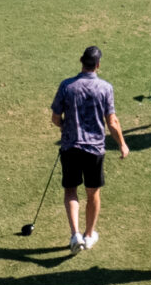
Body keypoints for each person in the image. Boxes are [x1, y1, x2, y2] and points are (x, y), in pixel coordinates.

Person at [49, 45, 128, 251]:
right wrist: (122, 144)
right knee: (93, 194)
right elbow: (112, 122)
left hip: (70, 147)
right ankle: (89, 234)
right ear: (98, 65)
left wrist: (65, 127)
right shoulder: (105, 88)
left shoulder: (67, 86)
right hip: (94, 150)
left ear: (81, 61)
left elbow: (55, 118)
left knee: (71, 191)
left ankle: (75, 234)